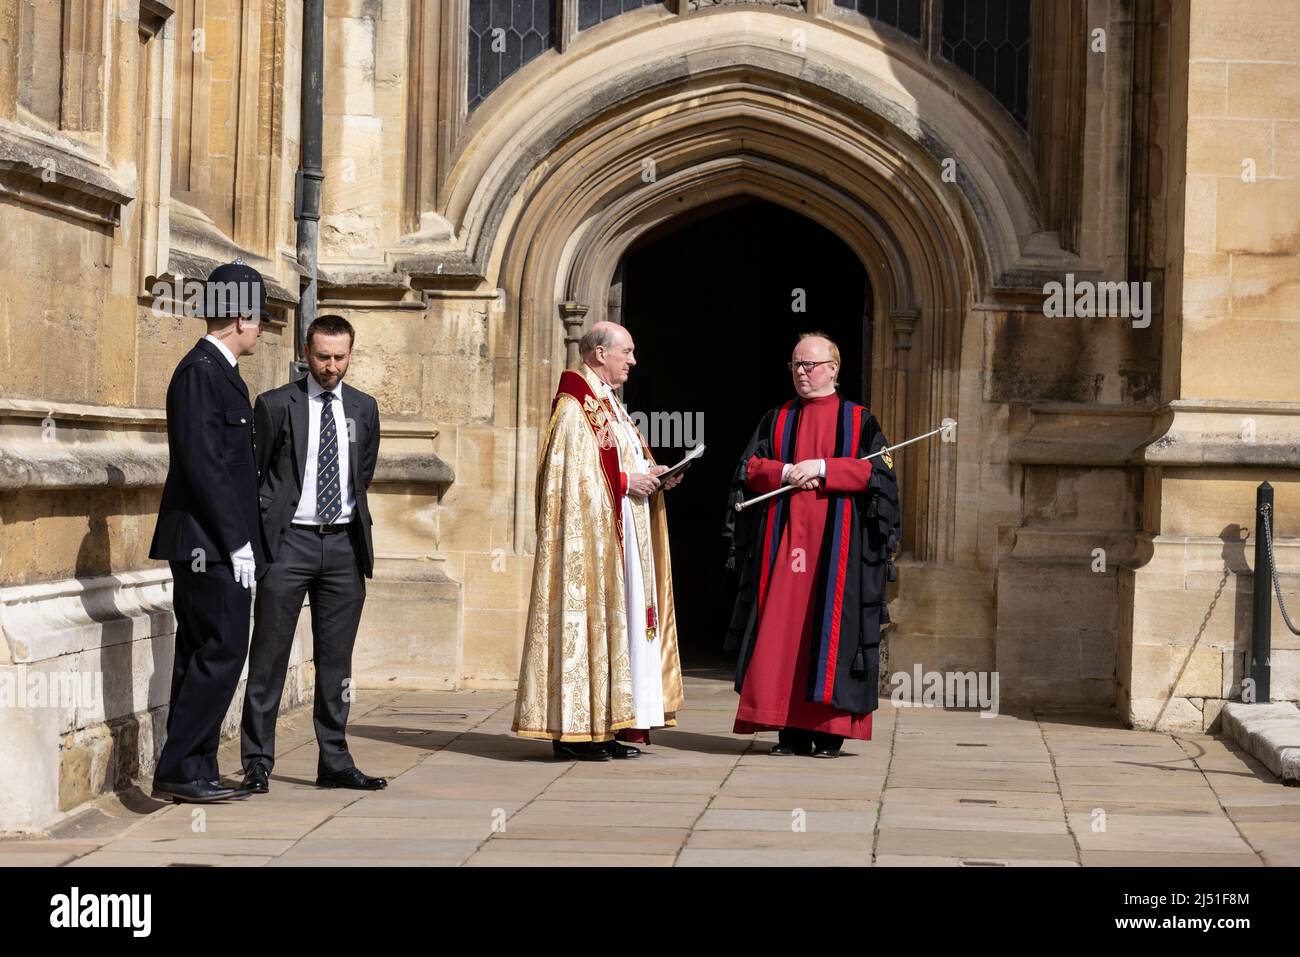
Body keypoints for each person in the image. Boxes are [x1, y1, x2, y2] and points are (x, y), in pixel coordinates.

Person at [722, 332, 901, 758]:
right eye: (796, 365)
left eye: (810, 365)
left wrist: (824, 468)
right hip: (784, 550)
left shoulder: (860, 421)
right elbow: (749, 468)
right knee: (784, 635)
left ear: (834, 369)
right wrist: (786, 472)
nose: (802, 373)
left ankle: (829, 733)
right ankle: (790, 732)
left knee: (831, 635)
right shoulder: (776, 419)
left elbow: (880, 476)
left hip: (838, 554)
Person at [513, 321, 686, 760]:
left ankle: (606, 729)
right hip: (591, 543)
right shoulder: (576, 406)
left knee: (620, 630)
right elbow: (571, 478)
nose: (633, 360)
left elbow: (619, 463)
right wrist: (628, 480)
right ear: (598, 354)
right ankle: (575, 734)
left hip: (624, 536)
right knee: (587, 626)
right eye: (626, 352)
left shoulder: (608, 403)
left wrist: (657, 475)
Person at [239, 314, 386, 792]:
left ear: (350, 354)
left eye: (340, 357)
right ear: (307, 352)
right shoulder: (276, 404)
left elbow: (361, 476)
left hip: (343, 544)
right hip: (290, 544)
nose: (331, 366)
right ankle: (257, 762)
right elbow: (255, 476)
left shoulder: (363, 408)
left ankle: (335, 761)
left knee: (336, 661)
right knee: (269, 656)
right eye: (322, 356)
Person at [149, 261, 268, 803]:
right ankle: (179, 767)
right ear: (241, 316)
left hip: (215, 540)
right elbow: (203, 465)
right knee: (221, 650)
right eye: (259, 316)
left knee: (202, 652)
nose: (262, 327)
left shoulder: (219, 371)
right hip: (207, 543)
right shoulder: (201, 371)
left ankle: (195, 767)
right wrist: (236, 540)